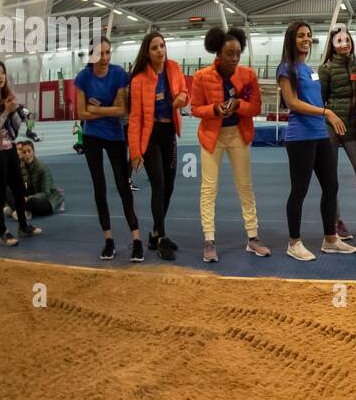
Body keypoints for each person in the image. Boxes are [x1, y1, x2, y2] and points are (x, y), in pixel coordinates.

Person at [192, 26, 269, 263]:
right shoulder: (201, 76)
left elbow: (255, 107)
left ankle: (253, 238)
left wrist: (237, 106)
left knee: (245, 186)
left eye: (238, 53)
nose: (234, 58)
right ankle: (209, 241)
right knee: (209, 189)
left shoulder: (248, 75)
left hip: (239, 134)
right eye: (229, 53)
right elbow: (195, 109)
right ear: (218, 52)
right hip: (211, 136)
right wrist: (215, 109)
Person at [277, 22, 354, 260]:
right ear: (291, 39)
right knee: (299, 190)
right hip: (300, 137)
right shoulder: (286, 68)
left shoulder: (309, 68)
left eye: (309, 35)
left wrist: (325, 114)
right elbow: (293, 103)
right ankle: (294, 242)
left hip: (320, 135)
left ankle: (330, 238)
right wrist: (327, 113)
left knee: (331, 186)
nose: (306, 39)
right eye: (301, 36)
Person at [74, 37, 141, 261]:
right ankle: (109, 240)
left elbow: (122, 109)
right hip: (92, 136)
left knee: (123, 186)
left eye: (108, 53)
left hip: (114, 135)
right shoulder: (83, 77)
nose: (104, 58)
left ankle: (136, 239)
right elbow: (81, 114)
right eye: (100, 54)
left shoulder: (118, 73)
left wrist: (97, 109)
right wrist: (106, 110)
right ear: (92, 55)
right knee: (99, 187)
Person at [318, 25, 356, 248]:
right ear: (332, 44)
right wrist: (330, 117)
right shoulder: (325, 69)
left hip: (354, 129)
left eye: (346, 40)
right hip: (331, 129)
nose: (343, 45)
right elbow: (320, 102)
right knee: (330, 180)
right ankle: (336, 222)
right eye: (338, 41)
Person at [128, 30, 187, 260]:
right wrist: (135, 152)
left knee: (169, 187)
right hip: (150, 136)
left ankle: (154, 233)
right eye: (154, 48)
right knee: (159, 186)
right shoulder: (139, 80)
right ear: (147, 52)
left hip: (169, 133)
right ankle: (161, 238)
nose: (160, 51)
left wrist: (183, 98)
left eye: (162, 46)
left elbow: (184, 91)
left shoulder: (173, 68)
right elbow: (134, 118)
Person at [0, 62, 40, 246]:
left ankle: (23, 226)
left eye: (3, 73)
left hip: (10, 148)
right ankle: (3, 231)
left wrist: (18, 114)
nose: (1, 77)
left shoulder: (7, 96)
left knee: (19, 189)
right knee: (0, 192)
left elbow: (15, 130)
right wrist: (5, 112)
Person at [7, 140, 64, 217]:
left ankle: (19, 210)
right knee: (8, 189)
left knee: (31, 202)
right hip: (30, 196)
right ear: (22, 155)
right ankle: (21, 211)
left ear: (33, 152)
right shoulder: (22, 167)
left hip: (47, 200)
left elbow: (46, 193)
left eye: (29, 151)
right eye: (24, 152)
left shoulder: (42, 168)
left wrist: (28, 198)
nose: (27, 154)